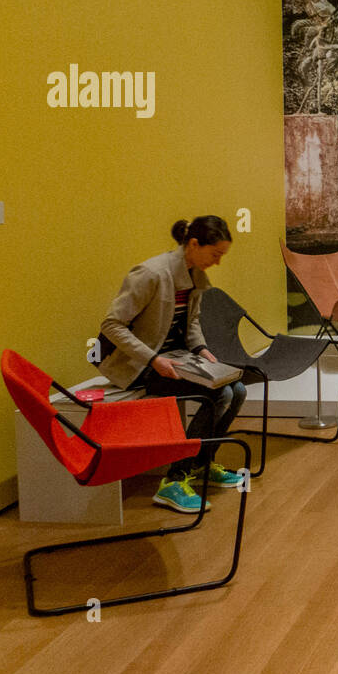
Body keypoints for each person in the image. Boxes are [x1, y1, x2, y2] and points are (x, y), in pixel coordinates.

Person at [93, 216, 248, 513]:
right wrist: (153, 359)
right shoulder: (151, 274)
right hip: (138, 365)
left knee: (238, 390)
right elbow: (111, 325)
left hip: (174, 358)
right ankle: (174, 481)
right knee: (220, 395)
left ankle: (201, 463)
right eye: (215, 254)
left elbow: (192, 323)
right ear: (194, 244)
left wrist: (201, 349)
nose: (218, 262)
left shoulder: (196, 276)